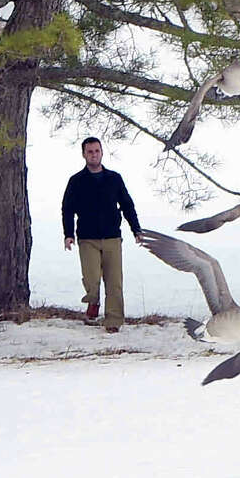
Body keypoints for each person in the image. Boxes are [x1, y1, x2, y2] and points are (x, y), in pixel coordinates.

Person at [61, 137, 144, 333]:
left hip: (112, 238)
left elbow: (127, 205)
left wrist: (136, 229)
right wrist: (68, 234)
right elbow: (67, 209)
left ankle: (113, 321)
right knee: (92, 279)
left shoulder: (114, 178)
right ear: (83, 154)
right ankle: (93, 301)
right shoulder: (76, 181)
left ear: (102, 152)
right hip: (87, 238)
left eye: (97, 151)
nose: (94, 154)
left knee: (114, 282)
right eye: (90, 151)